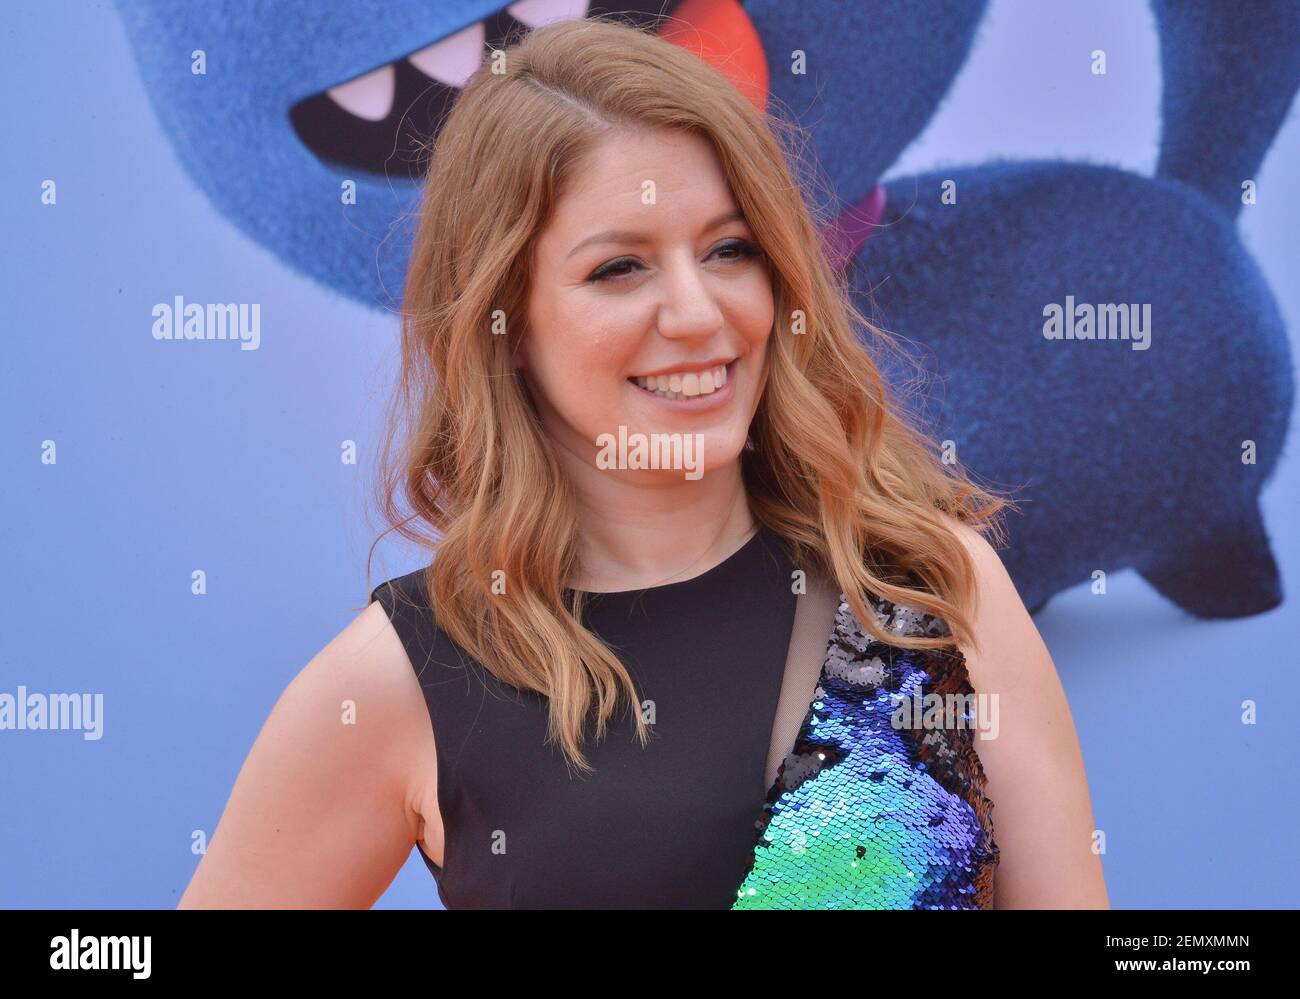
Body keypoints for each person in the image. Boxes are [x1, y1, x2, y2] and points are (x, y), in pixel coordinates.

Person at [179, 16, 1108, 910]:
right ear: (504, 324)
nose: (699, 312)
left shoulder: (934, 589)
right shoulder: (399, 679)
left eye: (729, 250)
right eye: (619, 268)